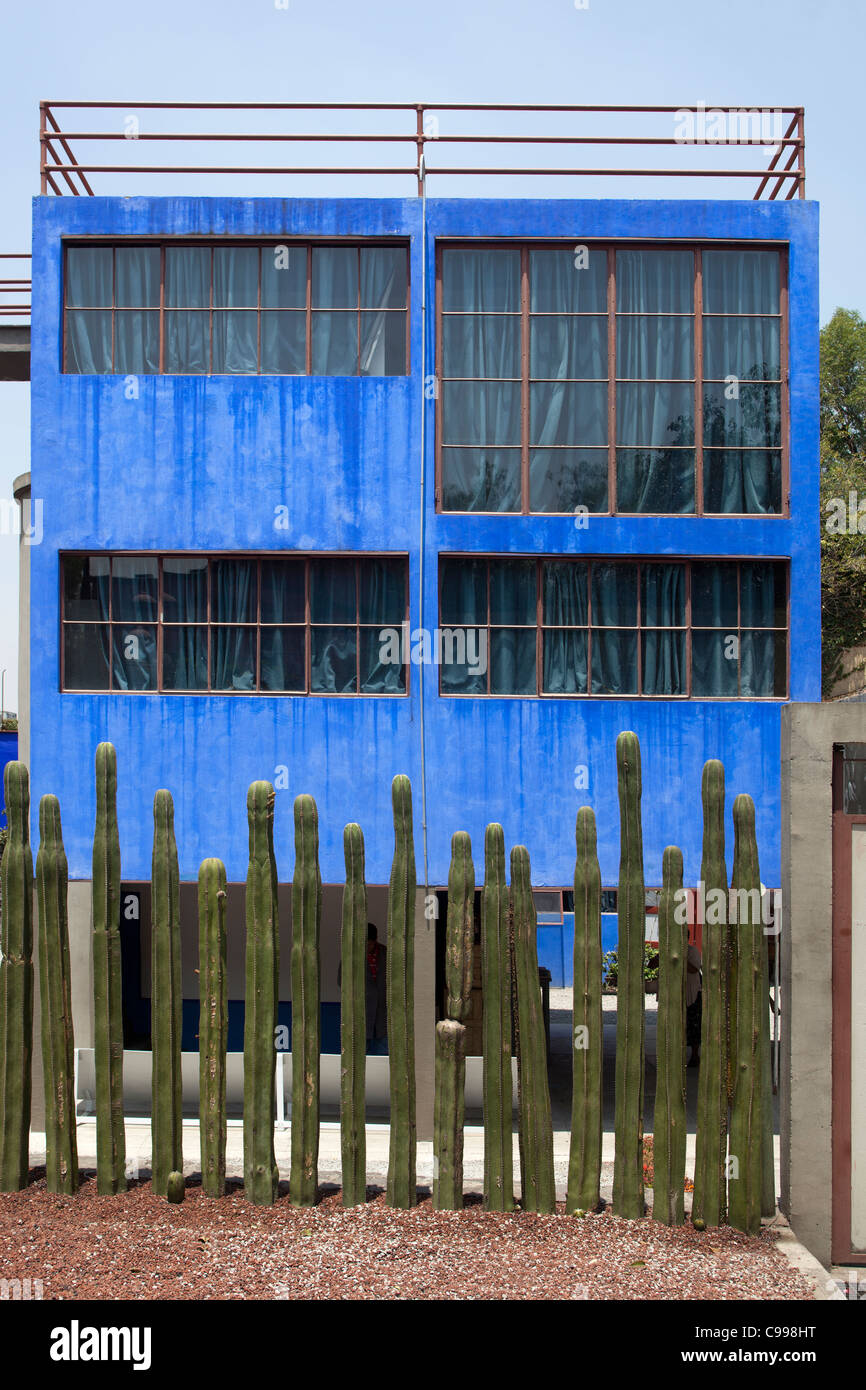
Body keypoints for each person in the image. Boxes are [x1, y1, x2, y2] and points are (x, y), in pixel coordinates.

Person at [337, 923, 388, 1055]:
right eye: (364, 943)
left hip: (383, 1016)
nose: (367, 947)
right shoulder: (351, 955)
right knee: (357, 1056)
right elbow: (341, 981)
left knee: (383, 1057)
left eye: (370, 944)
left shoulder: (386, 953)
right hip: (360, 1015)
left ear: (375, 940)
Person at [686, 941, 702, 1066]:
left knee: (694, 1026)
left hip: (692, 992)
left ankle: (695, 1055)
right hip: (675, 992)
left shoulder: (693, 951)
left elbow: (694, 968)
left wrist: (680, 958)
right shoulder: (667, 950)